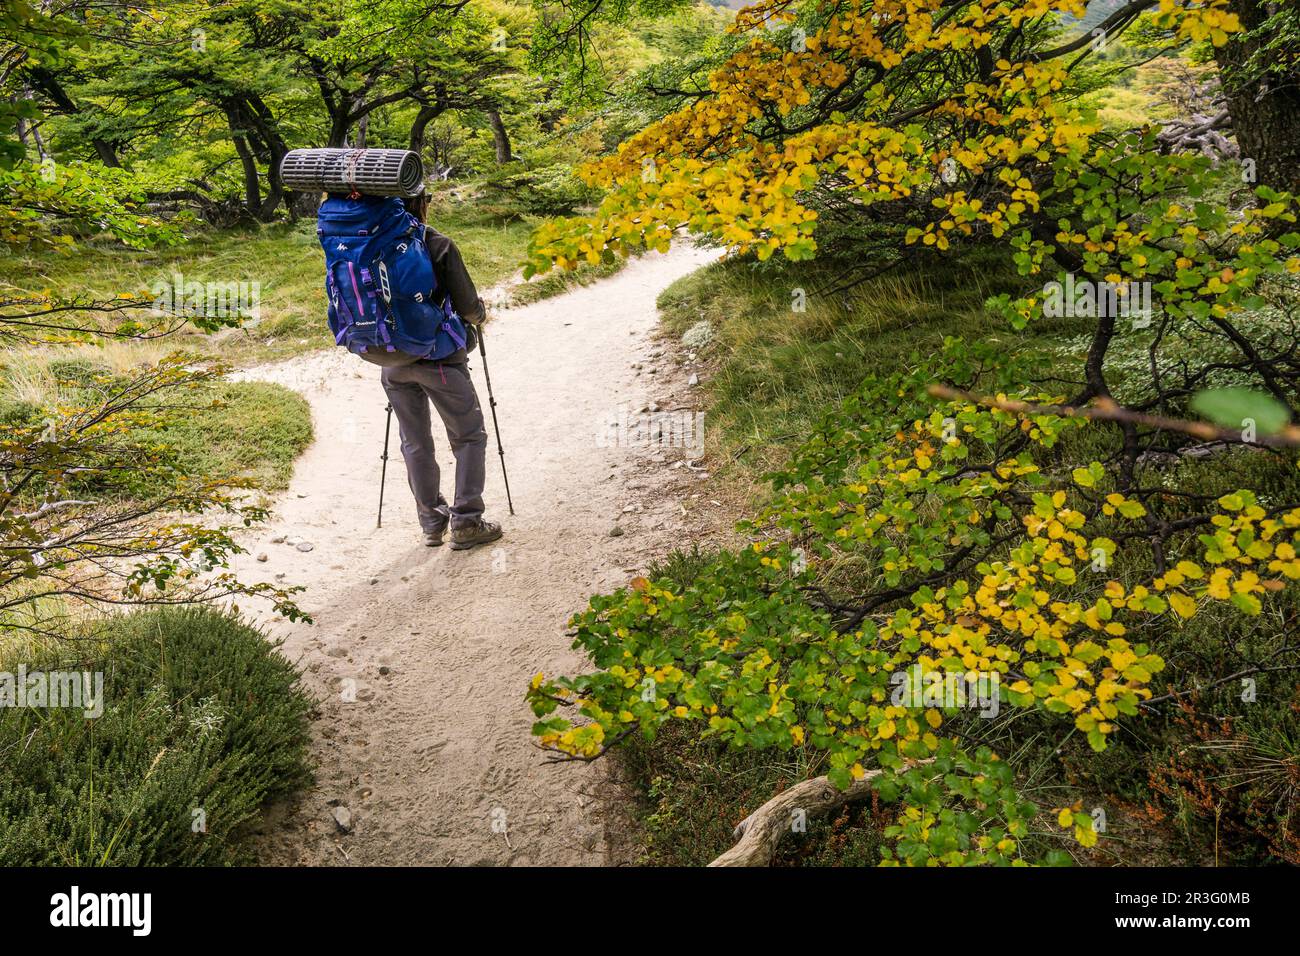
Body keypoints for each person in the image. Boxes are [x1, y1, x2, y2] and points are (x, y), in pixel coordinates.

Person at [380, 188, 504, 551]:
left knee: (415, 442)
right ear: (420, 204)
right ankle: (466, 521)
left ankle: (432, 523)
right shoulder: (436, 244)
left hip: (391, 362)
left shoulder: (367, 244)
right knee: (468, 436)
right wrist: (480, 315)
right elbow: (468, 307)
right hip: (439, 361)